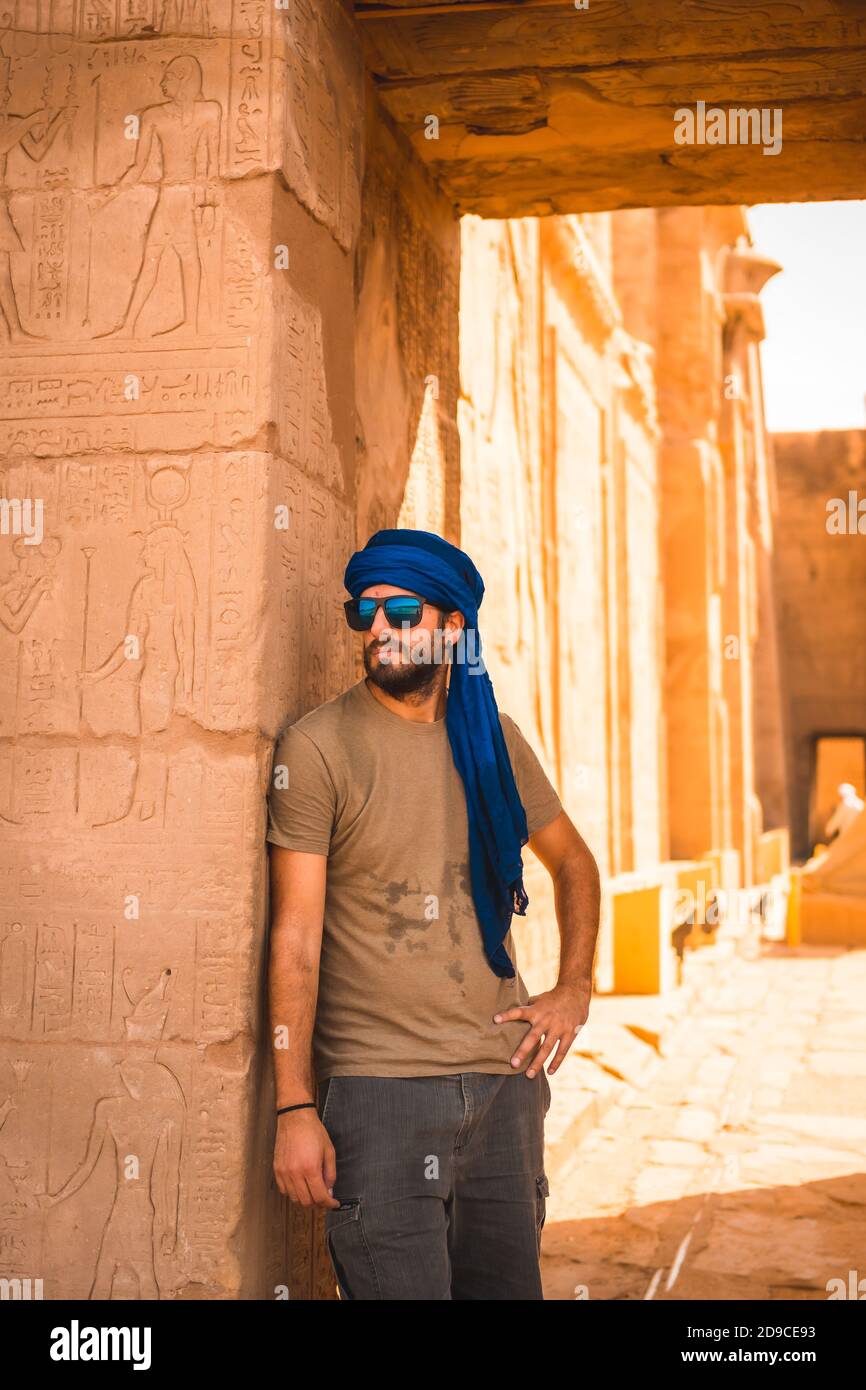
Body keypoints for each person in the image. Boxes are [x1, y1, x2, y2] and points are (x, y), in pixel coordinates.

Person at [267, 527, 600, 1300]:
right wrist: (293, 1106)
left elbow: (575, 863)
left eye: (403, 610)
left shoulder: (495, 744)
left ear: (453, 627)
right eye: (366, 614)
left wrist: (574, 987)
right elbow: (294, 944)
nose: (379, 630)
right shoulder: (317, 749)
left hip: (504, 1087)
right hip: (379, 1096)